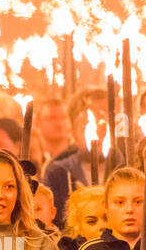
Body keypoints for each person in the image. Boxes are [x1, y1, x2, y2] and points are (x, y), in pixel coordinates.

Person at [44, 88, 112, 226]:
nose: (98, 135)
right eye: (90, 126)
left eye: (104, 126)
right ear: (73, 128)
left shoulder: (128, 166)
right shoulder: (58, 174)